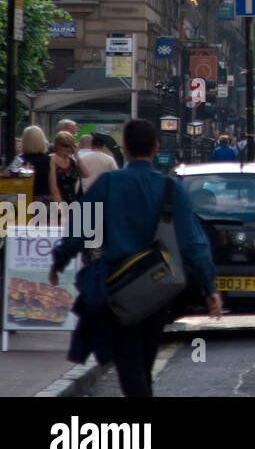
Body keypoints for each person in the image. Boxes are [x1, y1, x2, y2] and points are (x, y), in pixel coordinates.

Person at [49, 119, 222, 398]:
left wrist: (59, 259)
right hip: (158, 287)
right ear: (156, 148)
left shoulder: (108, 184)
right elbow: (193, 241)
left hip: (118, 286)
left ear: (126, 149)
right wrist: (210, 287)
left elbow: (80, 229)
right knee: (144, 360)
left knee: (130, 365)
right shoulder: (171, 189)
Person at [20, 126, 55, 204]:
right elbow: (53, 186)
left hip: (24, 200)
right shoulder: (48, 160)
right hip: (44, 200)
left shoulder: (19, 159)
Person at [50, 131, 81, 203]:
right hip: (55, 203)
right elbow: (53, 188)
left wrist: (77, 156)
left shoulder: (72, 162)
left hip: (71, 202)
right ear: (57, 145)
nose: (69, 149)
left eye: (72, 146)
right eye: (65, 145)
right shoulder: (50, 160)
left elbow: (86, 174)